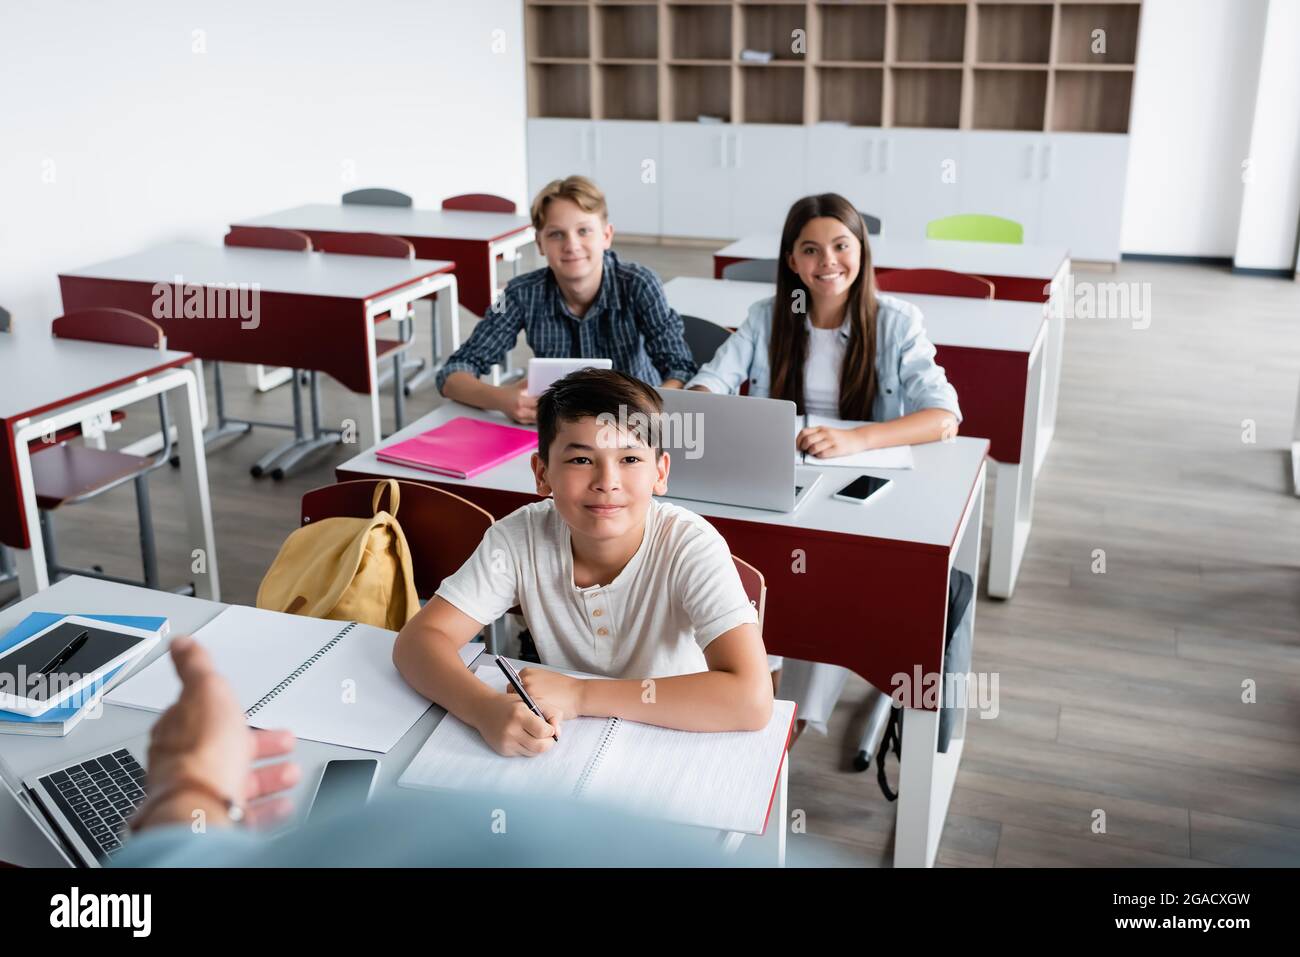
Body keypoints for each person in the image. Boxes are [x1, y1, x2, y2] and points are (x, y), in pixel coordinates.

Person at [686, 192, 962, 740]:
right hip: (781, 477)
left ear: (862, 250)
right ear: (791, 261)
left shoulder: (897, 322)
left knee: (824, 584)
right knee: (755, 570)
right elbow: (710, 384)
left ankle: (792, 718)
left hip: (859, 485)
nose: (827, 262)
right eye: (810, 250)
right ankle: (755, 686)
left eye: (841, 245)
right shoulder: (768, 317)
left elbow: (944, 417)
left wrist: (855, 439)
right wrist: (700, 397)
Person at [392, 369, 775, 757]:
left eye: (629, 458)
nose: (607, 481)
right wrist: (482, 709)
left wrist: (580, 694)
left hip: (677, 738)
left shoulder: (691, 545)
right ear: (542, 475)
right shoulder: (519, 537)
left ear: (660, 473)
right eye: (580, 459)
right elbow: (419, 642)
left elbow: (752, 698)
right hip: (570, 745)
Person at [435, 176, 696, 424]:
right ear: (539, 243)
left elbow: (680, 368)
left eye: (583, 231)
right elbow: (453, 373)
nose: (571, 245)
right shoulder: (520, 293)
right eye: (556, 234)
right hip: (560, 429)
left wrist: (644, 411)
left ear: (606, 236)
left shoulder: (639, 284)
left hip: (634, 425)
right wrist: (502, 399)